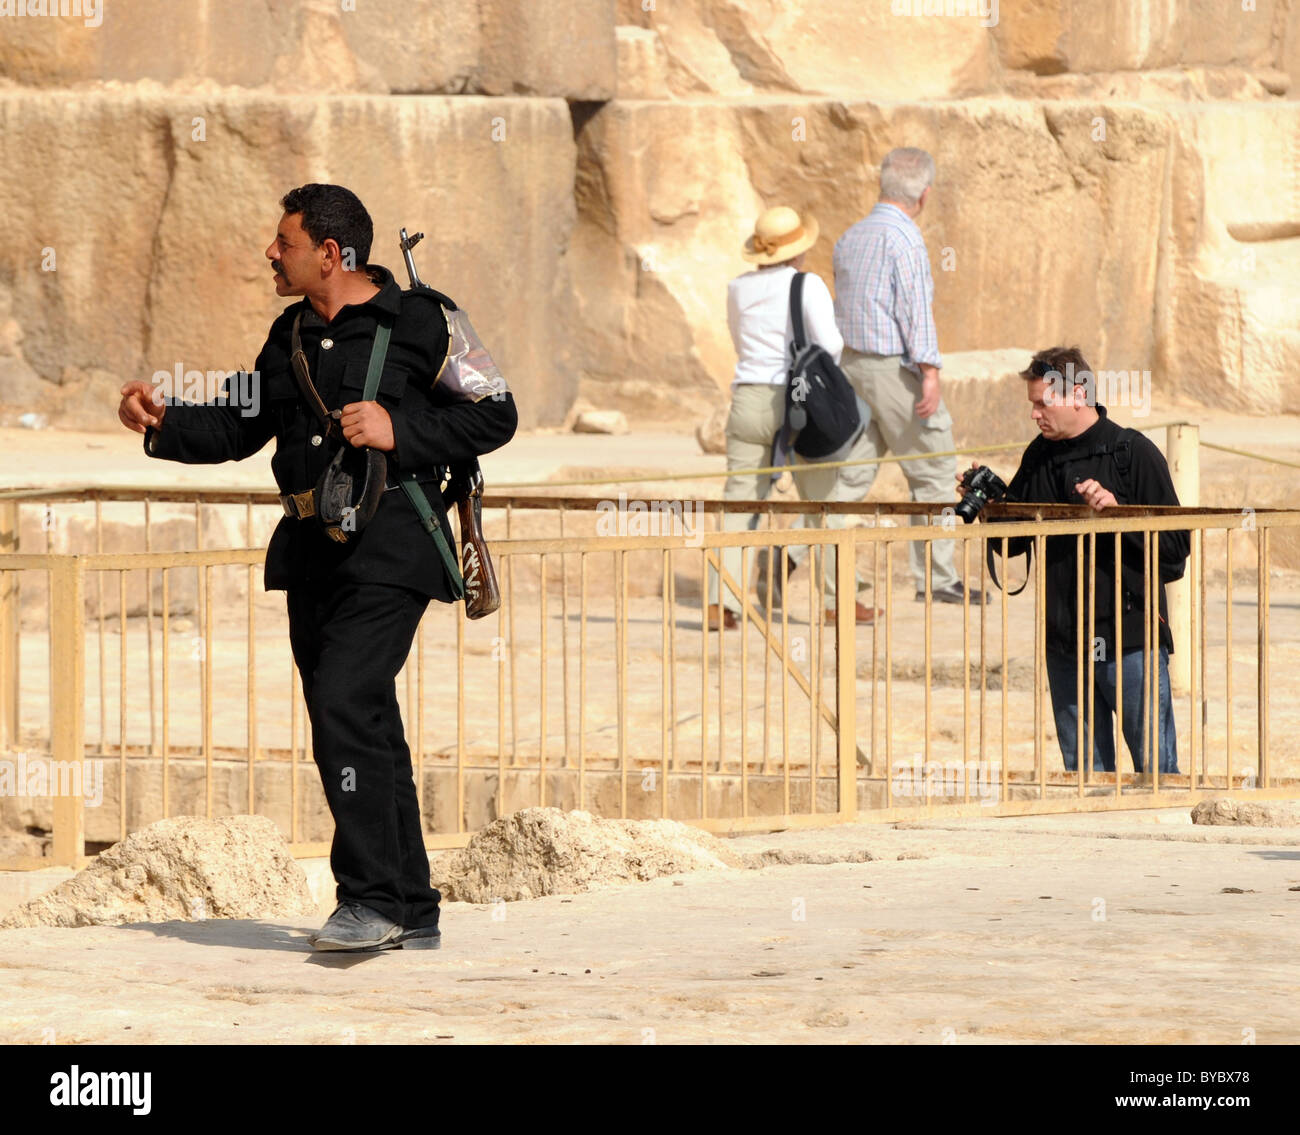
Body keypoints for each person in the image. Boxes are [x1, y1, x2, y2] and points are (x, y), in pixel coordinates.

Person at [117, 184, 518, 950]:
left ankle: (366, 897)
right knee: (363, 718)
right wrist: (164, 419)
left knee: (344, 699)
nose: (272, 253)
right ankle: (411, 902)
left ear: (331, 254)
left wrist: (401, 428)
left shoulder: (424, 321)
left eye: (285, 242)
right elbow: (241, 421)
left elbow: (495, 411)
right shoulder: (290, 332)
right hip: (311, 553)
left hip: (395, 545)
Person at [979, 346, 1187, 775]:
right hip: (1065, 643)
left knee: (1156, 778)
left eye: (1043, 403)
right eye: (1032, 404)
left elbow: (1175, 554)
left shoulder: (1133, 453)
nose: (1035, 414)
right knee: (1084, 780)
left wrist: (1118, 516)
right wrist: (989, 508)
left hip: (1131, 642)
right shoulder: (1039, 456)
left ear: (1078, 395)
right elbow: (1011, 546)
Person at [801, 147, 981, 605]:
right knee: (936, 468)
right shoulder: (904, 239)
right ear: (924, 194)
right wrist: (930, 371)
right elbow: (913, 311)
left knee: (850, 477)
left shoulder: (850, 237)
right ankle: (938, 580)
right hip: (891, 370)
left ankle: (801, 557)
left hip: (853, 367)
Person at [705, 205, 877, 629]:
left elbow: (738, 339)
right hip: (801, 400)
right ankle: (839, 601)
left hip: (748, 398)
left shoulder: (736, 288)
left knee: (739, 500)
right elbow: (829, 345)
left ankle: (720, 603)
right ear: (798, 250)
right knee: (825, 500)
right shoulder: (808, 284)